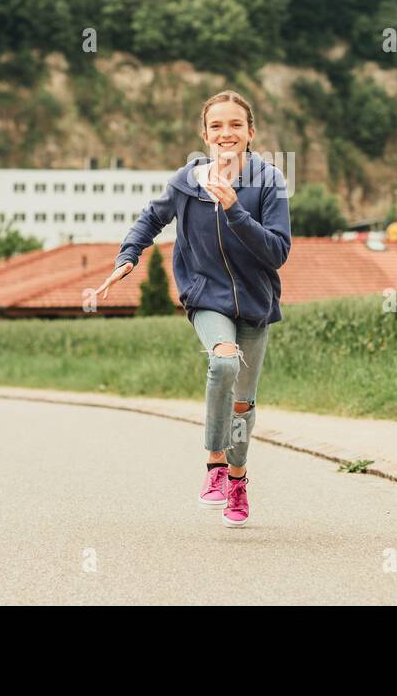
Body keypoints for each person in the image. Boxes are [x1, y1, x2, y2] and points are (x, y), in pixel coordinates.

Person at [95, 90, 292, 527]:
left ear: (250, 133)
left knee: (243, 403)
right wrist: (129, 256)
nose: (226, 133)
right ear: (204, 134)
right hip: (205, 296)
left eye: (235, 125)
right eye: (217, 125)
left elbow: (278, 252)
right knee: (222, 365)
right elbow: (150, 219)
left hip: (256, 304)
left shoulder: (269, 182)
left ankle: (238, 480)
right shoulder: (186, 182)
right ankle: (214, 467)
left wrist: (234, 209)